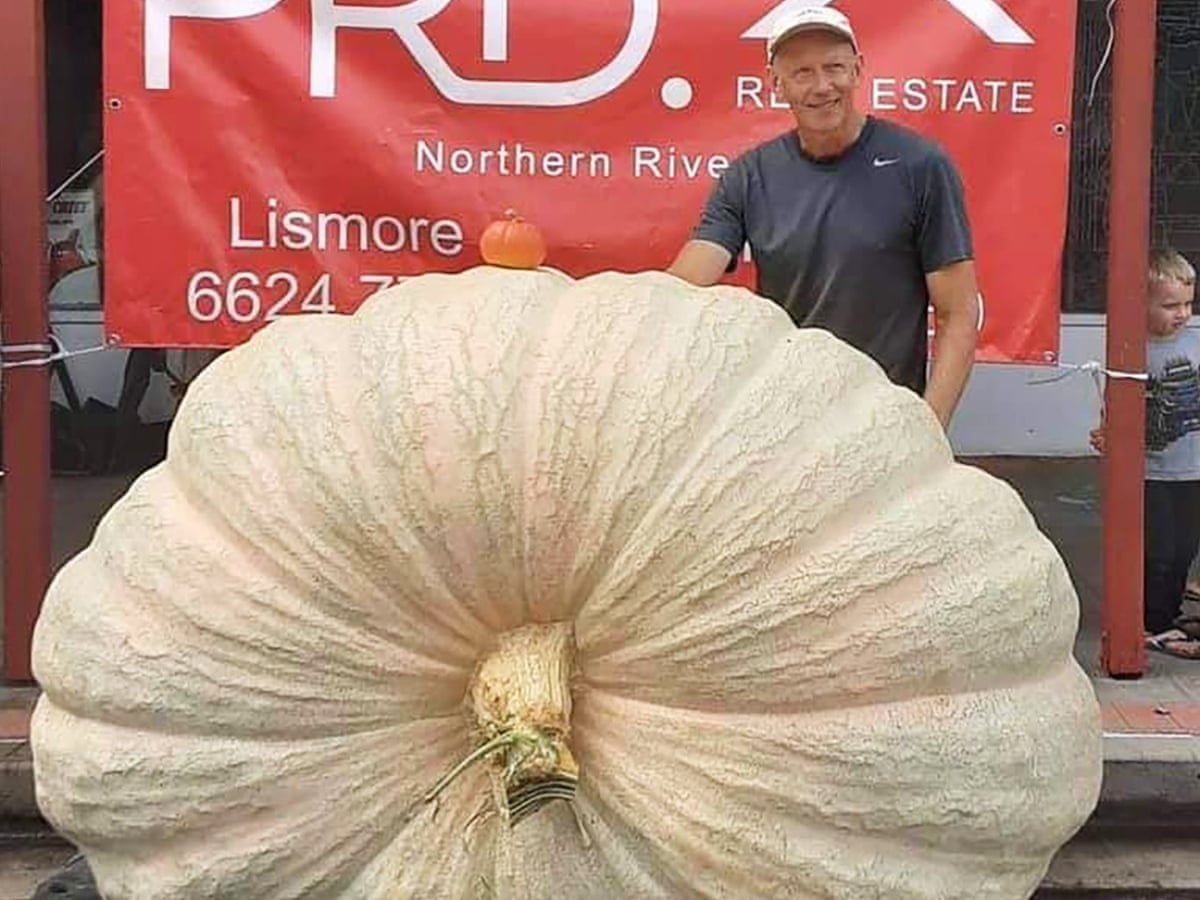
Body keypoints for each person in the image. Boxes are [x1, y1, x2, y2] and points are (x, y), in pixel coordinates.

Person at [667, 6, 978, 428]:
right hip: (784, 427)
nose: (822, 86)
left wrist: (928, 428)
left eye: (834, 67)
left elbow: (957, 313)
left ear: (858, 69)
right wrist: (615, 311)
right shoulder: (748, 176)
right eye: (802, 72)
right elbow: (684, 284)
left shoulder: (921, 166)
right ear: (777, 84)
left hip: (884, 426)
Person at [1091, 249, 1200, 658]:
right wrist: (1107, 433)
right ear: (1142, 302)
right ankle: (1151, 622)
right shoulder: (1130, 349)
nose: (1182, 314)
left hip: (1193, 470)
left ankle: (1167, 616)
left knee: (1185, 548)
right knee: (1159, 549)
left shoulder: (1196, 342)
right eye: (1170, 305)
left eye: (1188, 304)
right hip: (1151, 472)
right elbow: (1114, 407)